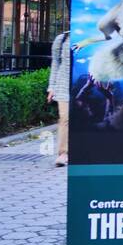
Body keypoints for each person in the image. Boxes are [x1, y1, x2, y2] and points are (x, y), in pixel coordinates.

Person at [47, 30, 71, 167]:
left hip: (82, 83)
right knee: (65, 118)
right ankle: (63, 153)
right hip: (63, 85)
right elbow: (55, 63)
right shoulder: (62, 39)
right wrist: (52, 87)